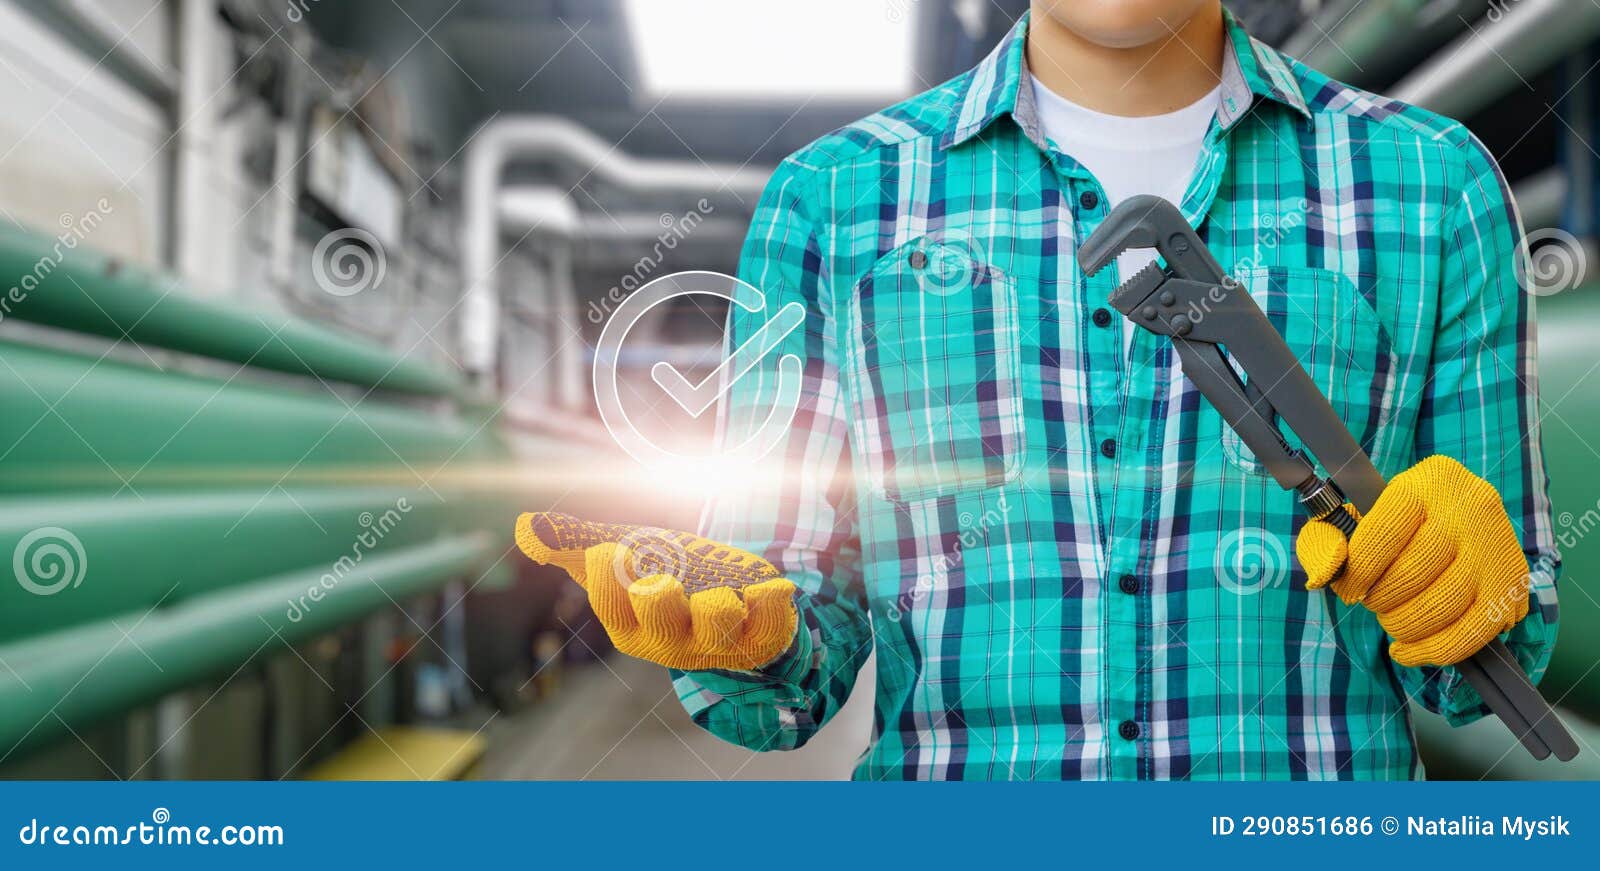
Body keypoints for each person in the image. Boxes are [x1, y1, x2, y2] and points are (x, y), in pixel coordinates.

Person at [515, 0, 1558, 780]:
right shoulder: (829, 202)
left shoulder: (1432, 184)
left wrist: (1481, 591)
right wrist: (752, 638)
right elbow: (789, 661)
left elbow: (1488, 660)